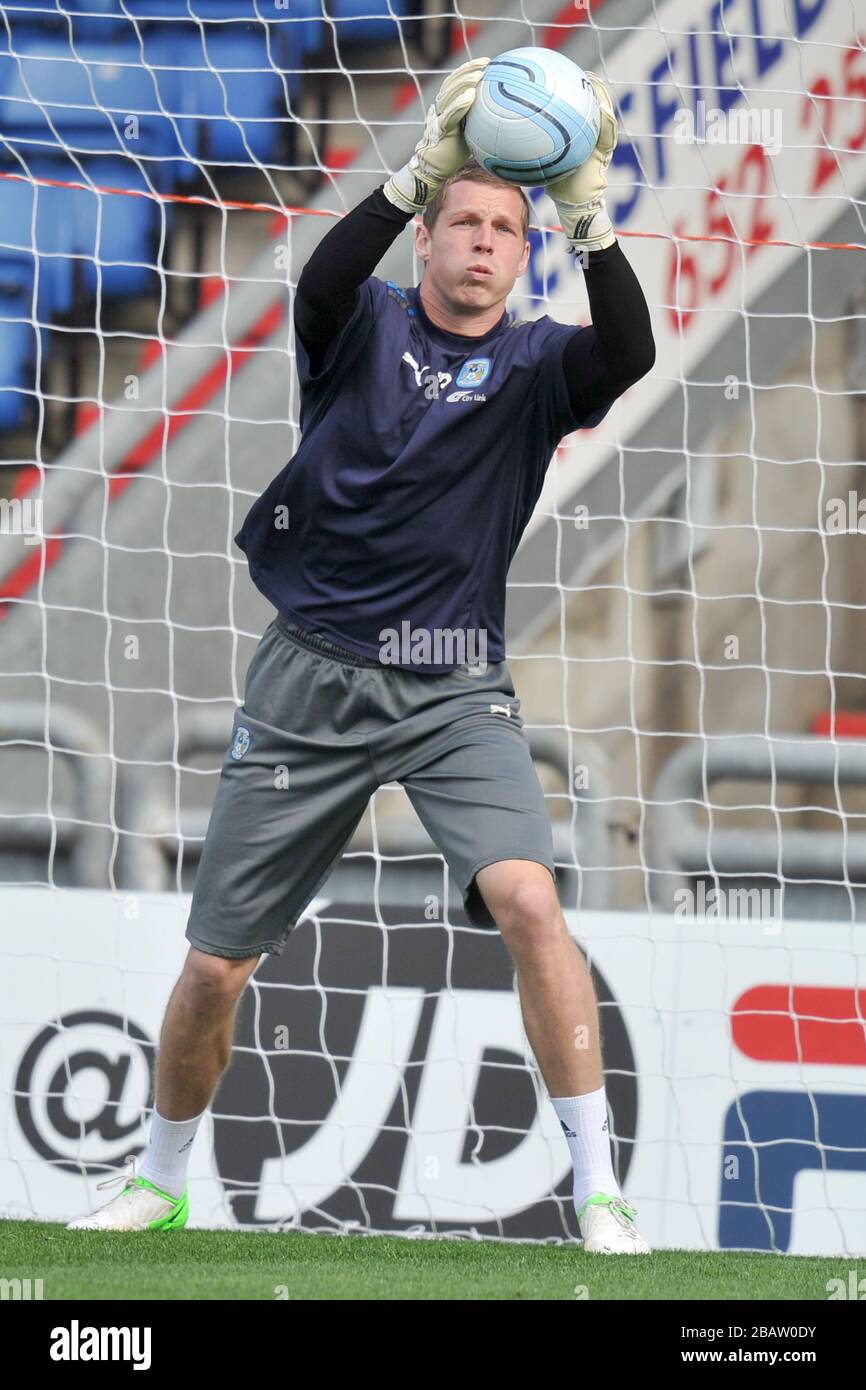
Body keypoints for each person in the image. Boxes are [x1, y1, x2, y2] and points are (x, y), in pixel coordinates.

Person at [68, 59, 655, 1253]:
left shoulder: (542, 364)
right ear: (430, 242)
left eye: (507, 228)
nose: (486, 244)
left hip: (454, 689)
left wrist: (588, 220)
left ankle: (600, 1191)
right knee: (214, 972)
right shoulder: (361, 325)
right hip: (308, 679)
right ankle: (163, 1174)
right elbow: (328, 275)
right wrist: (411, 174)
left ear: (521, 253)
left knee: (531, 904)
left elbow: (632, 351)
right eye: (465, 224)